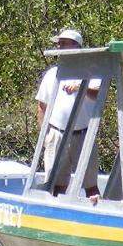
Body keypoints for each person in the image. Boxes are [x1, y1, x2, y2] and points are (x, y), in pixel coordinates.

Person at [35, 28, 100, 196]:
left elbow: (97, 95)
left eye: (63, 43)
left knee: (91, 185)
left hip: (84, 135)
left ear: (75, 46)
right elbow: (42, 106)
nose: (58, 47)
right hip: (56, 134)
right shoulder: (52, 74)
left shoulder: (90, 71)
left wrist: (81, 87)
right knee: (56, 184)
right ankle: (54, 217)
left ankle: (95, 217)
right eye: (58, 44)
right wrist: (45, 136)